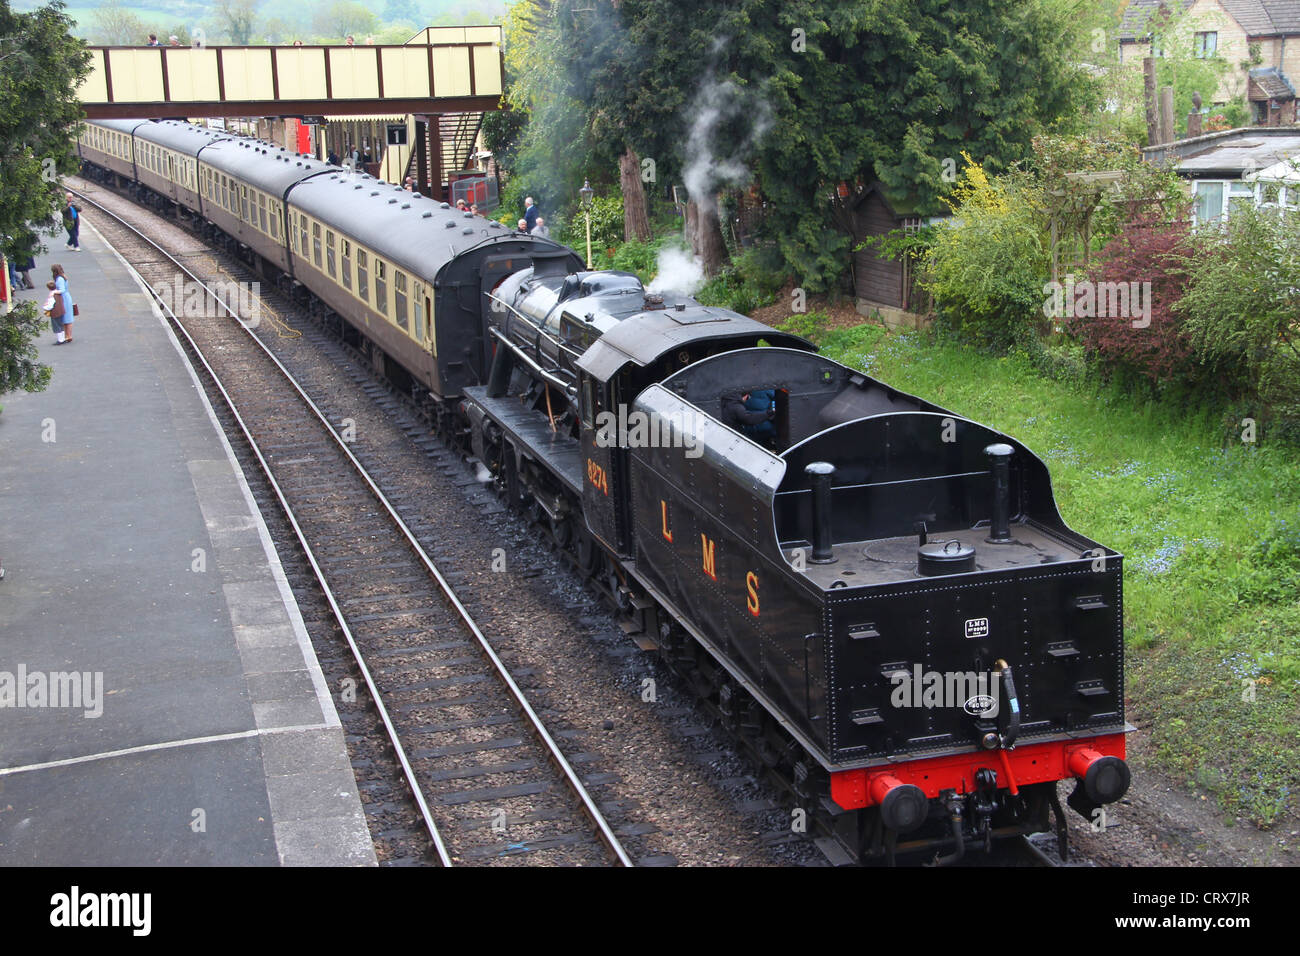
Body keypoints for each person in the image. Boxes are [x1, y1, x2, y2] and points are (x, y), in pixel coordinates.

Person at [51, 264, 74, 343]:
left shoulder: (59, 278)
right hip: (67, 297)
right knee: (68, 317)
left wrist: (53, 292)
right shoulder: (63, 276)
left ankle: (67, 335)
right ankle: (68, 335)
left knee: (65, 318)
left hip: (63, 298)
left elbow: (62, 290)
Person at [43, 280, 66, 345]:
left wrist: (44, 307)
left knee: (56, 326)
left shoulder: (51, 296)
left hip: (55, 313)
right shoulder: (58, 293)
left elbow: (50, 306)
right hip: (61, 310)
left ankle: (60, 340)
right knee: (61, 325)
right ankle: (63, 338)